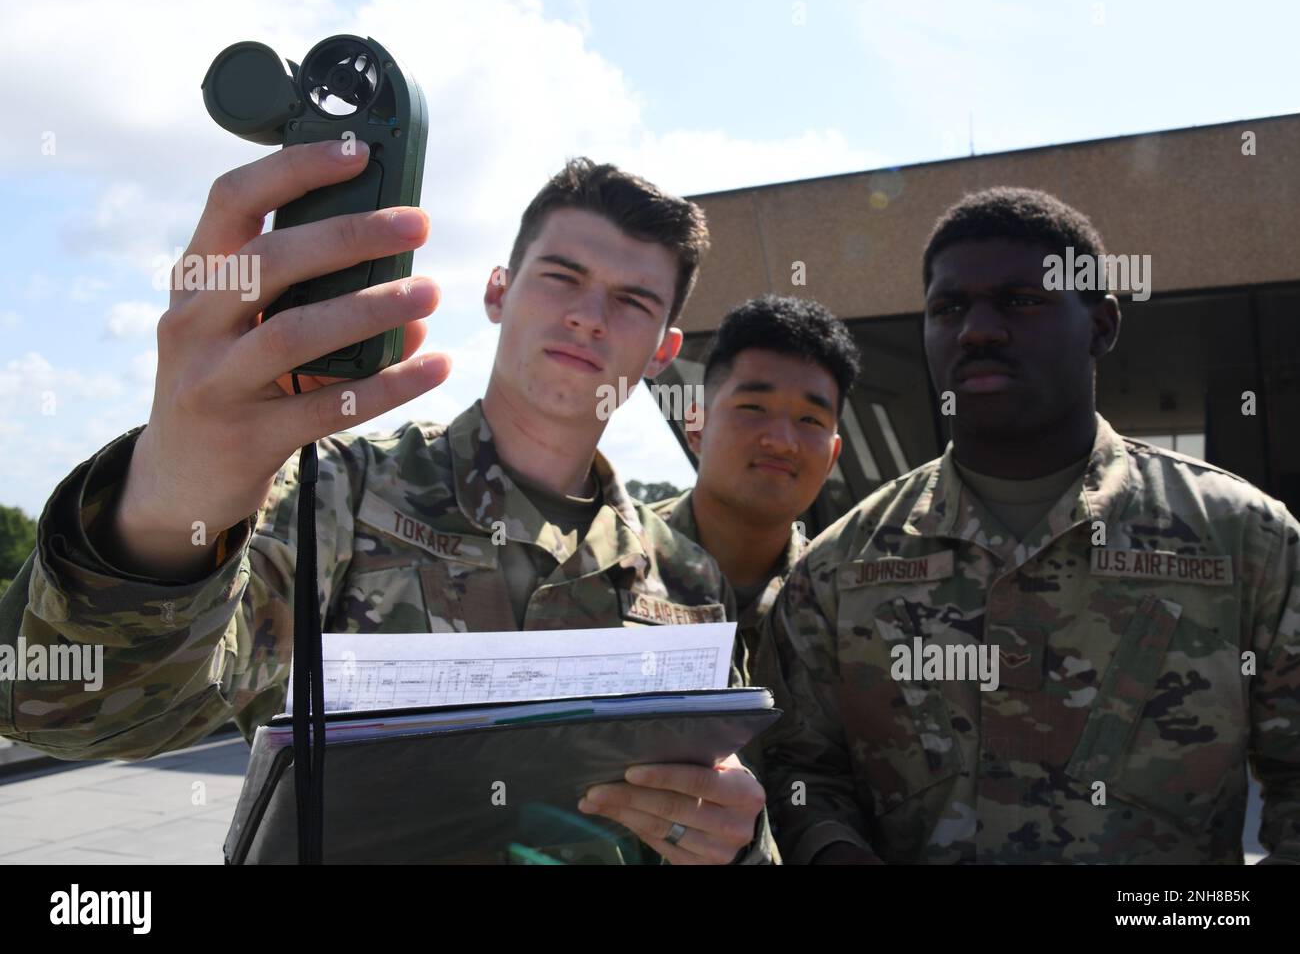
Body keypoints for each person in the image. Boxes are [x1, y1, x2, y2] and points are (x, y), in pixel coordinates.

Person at [0, 147, 768, 865]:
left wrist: (738, 839)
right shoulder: (340, 494)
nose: (589, 315)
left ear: (665, 349)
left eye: (631, 300)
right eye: (561, 276)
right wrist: (165, 515)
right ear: (498, 290)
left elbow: (727, 813)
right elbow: (68, 710)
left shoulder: (688, 582)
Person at [760, 186, 1300, 864]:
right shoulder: (840, 567)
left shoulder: (1246, 539)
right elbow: (800, 768)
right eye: (949, 307)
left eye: (1021, 300)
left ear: (1101, 324)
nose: (977, 329)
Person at [651, 295, 859, 663]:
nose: (781, 442)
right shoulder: (609, 565)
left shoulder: (848, 604)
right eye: (753, 408)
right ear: (696, 427)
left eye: (810, 420)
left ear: (832, 459)